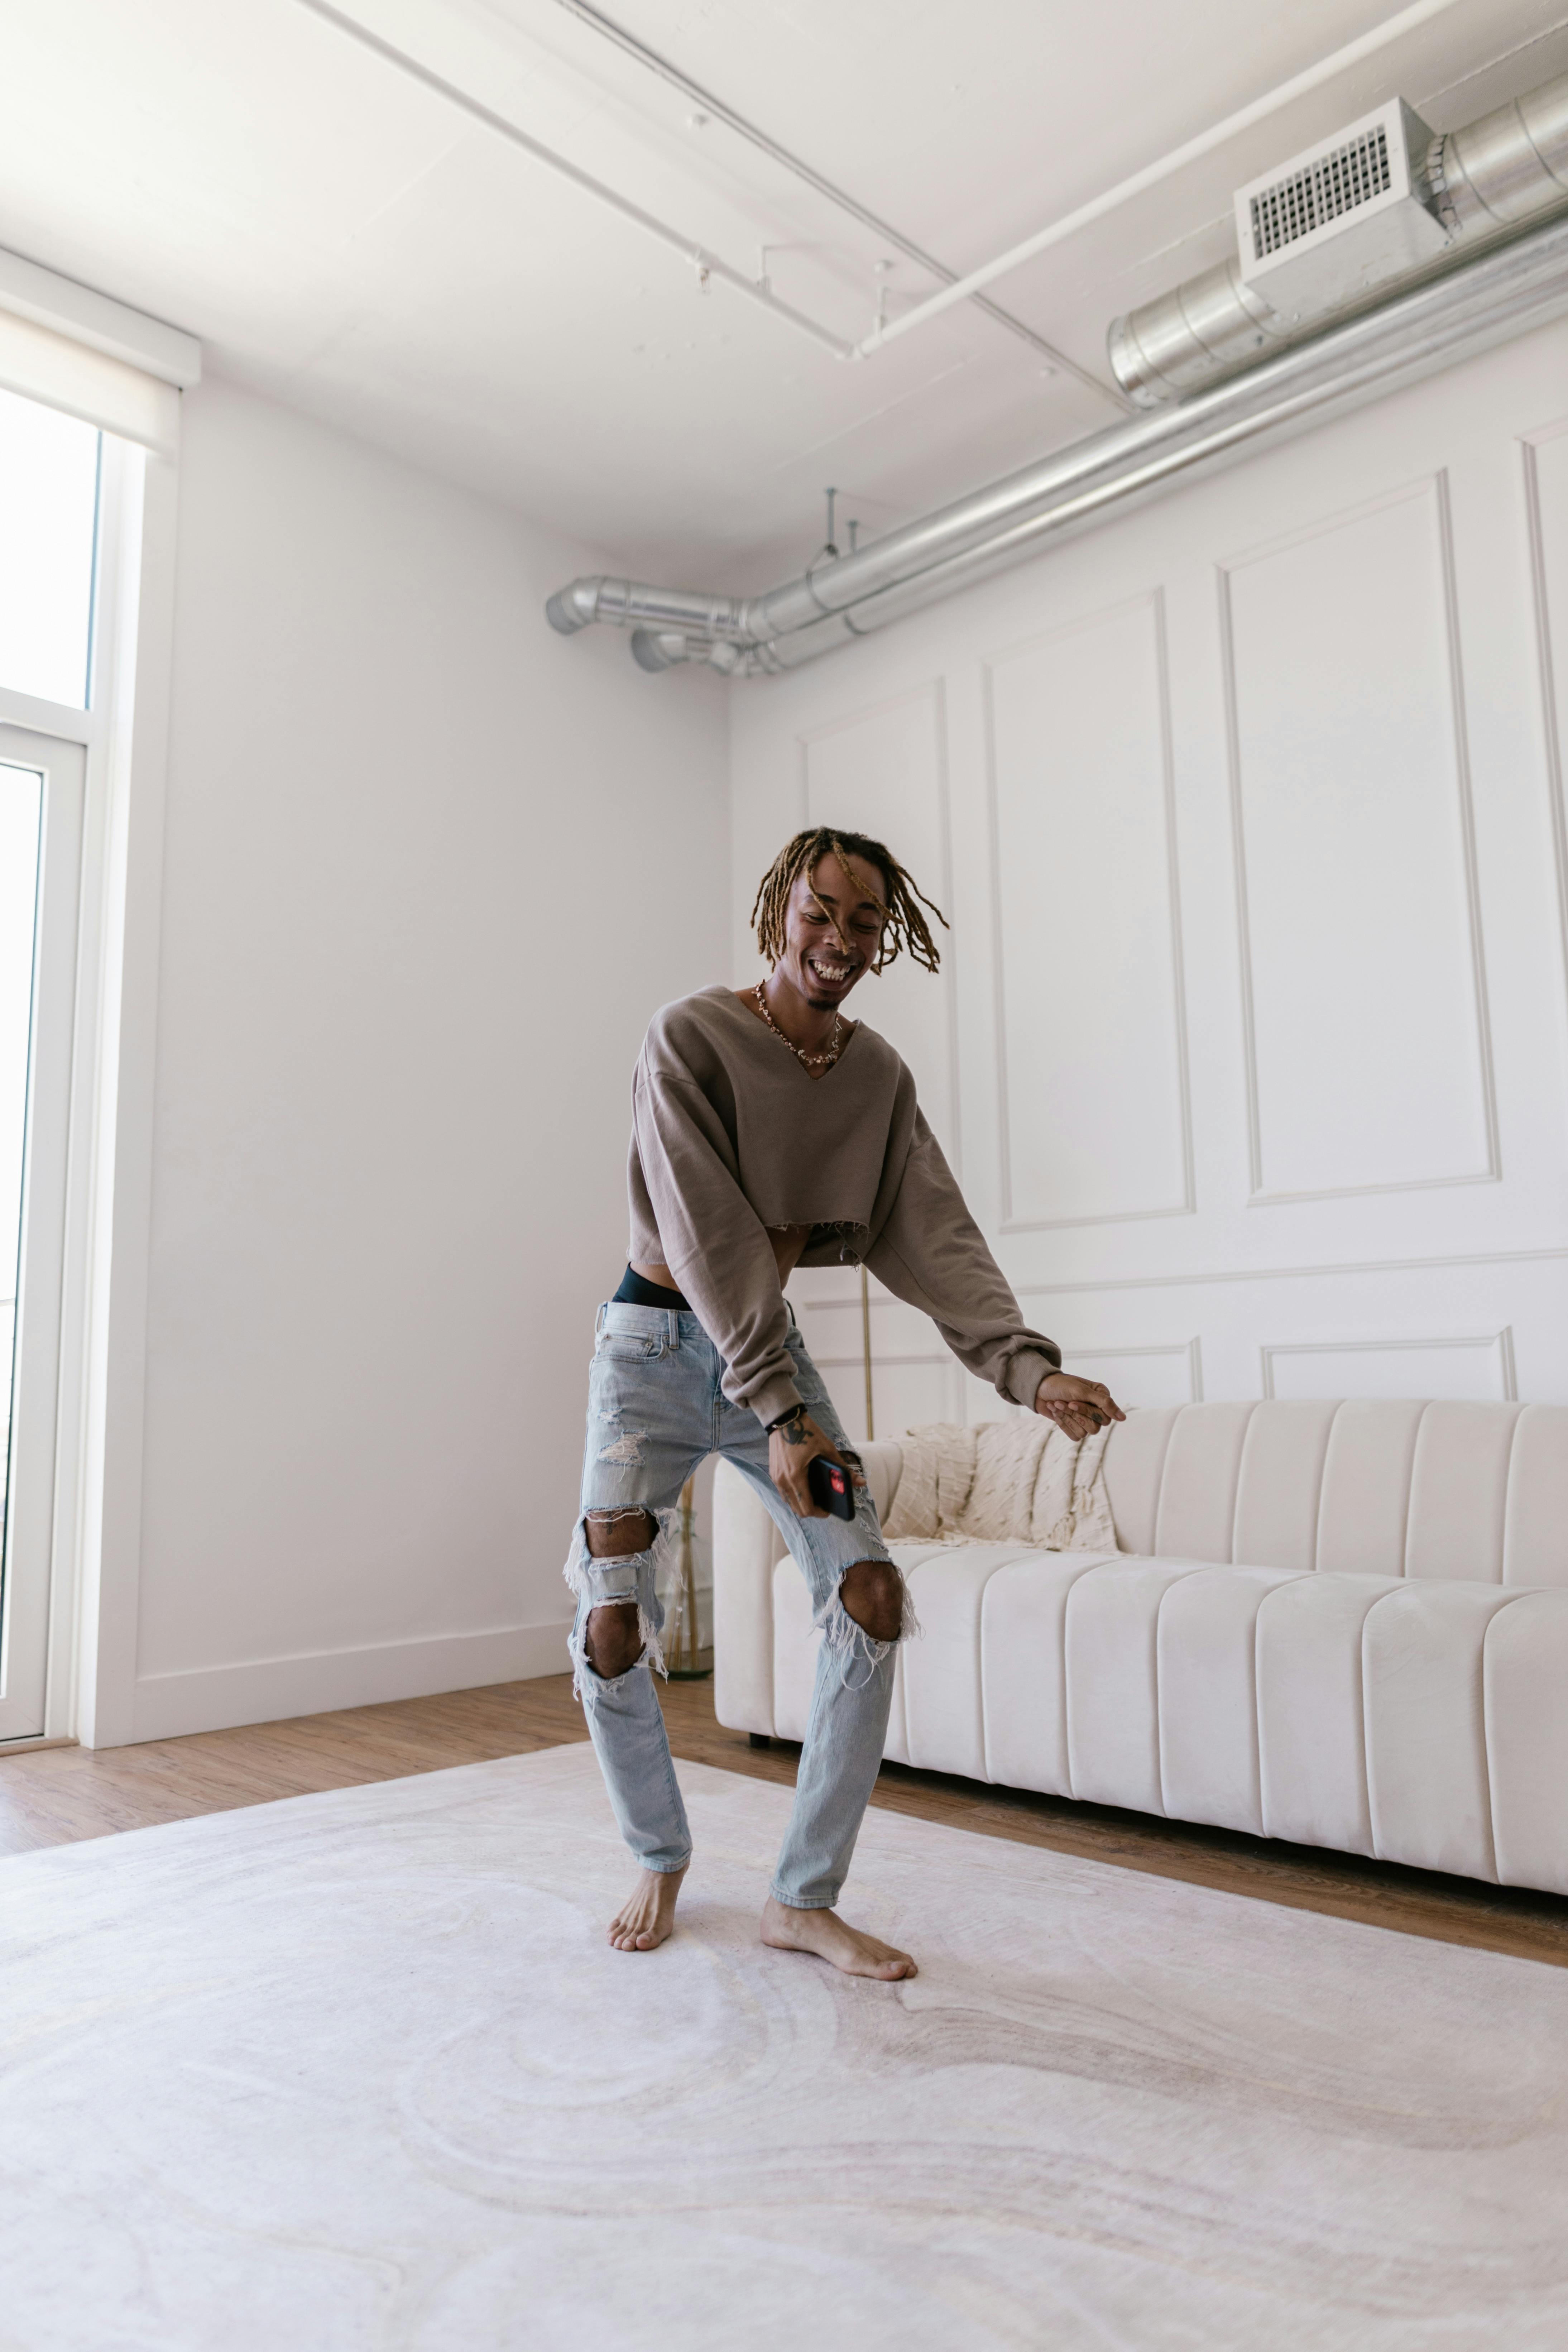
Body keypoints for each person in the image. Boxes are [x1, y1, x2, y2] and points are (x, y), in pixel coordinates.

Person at [565, 824, 1123, 1979]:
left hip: (768, 1369)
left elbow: (932, 1227)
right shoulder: (690, 1037)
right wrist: (780, 1413)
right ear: (780, 911)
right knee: (612, 1621)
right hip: (652, 1362)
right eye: (820, 911)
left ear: (886, 937)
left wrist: (1027, 1366)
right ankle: (657, 1854)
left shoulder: (872, 1078)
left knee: (867, 1593)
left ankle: (800, 1899)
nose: (838, 938)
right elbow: (710, 1237)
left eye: (863, 922)